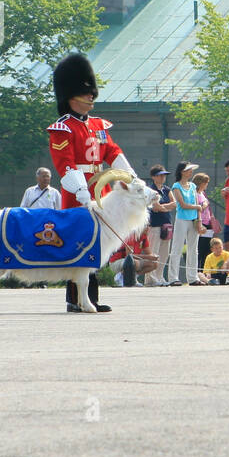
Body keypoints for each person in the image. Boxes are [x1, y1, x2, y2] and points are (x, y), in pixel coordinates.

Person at [47, 53, 137, 313]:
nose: (91, 96)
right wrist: (81, 191)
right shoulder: (62, 128)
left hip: (101, 191)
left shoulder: (98, 125)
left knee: (98, 245)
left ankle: (91, 298)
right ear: (70, 95)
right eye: (84, 92)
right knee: (78, 245)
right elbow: (65, 165)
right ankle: (74, 299)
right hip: (79, 194)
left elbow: (112, 152)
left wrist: (130, 178)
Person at [170, 161, 202, 285]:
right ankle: (173, 277)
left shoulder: (193, 186)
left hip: (193, 219)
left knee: (193, 249)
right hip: (182, 219)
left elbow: (196, 202)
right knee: (177, 248)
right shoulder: (176, 186)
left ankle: (193, 277)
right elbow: (182, 204)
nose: (191, 172)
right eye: (188, 170)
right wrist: (197, 207)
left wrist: (199, 220)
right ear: (182, 172)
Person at [145, 165, 176, 286]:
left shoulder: (167, 189)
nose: (163, 177)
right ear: (153, 177)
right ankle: (151, 278)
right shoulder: (151, 190)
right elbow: (156, 206)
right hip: (155, 225)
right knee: (154, 251)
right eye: (159, 175)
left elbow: (174, 204)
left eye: (164, 175)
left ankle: (159, 276)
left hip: (166, 225)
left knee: (164, 253)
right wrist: (163, 207)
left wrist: (163, 207)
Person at [193, 172, 216, 272]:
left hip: (208, 224)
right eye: (205, 182)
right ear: (200, 183)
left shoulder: (203, 193)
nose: (207, 184)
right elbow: (197, 208)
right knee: (200, 250)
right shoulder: (194, 194)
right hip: (200, 223)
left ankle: (205, 272)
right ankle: (197, 272)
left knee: (207, 250)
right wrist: (204, 205)